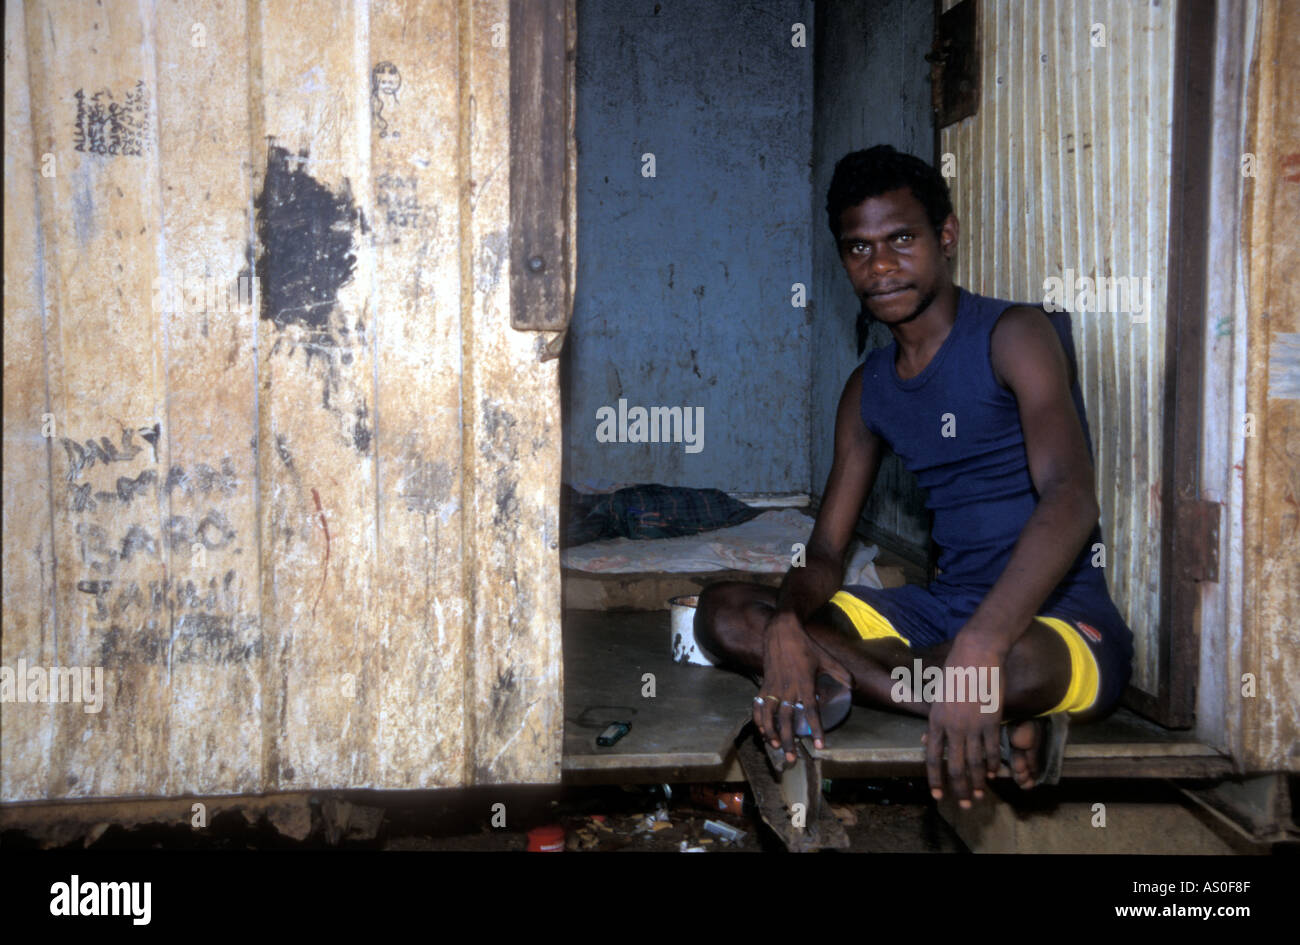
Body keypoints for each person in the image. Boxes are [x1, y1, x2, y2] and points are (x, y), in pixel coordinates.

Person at [694, 145, 1133, 809]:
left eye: (902, 239)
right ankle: (957, 699)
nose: (881, 266)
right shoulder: (867, 390)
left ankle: (869, 680)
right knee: (723, 615)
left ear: (945, 236)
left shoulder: (1014, 334)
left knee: (1005, 670)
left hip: (1053, 622)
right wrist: (787, 619)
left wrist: (983, 642)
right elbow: (827, 553)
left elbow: (1071, 496)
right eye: (858, 249)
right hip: (941, 613)